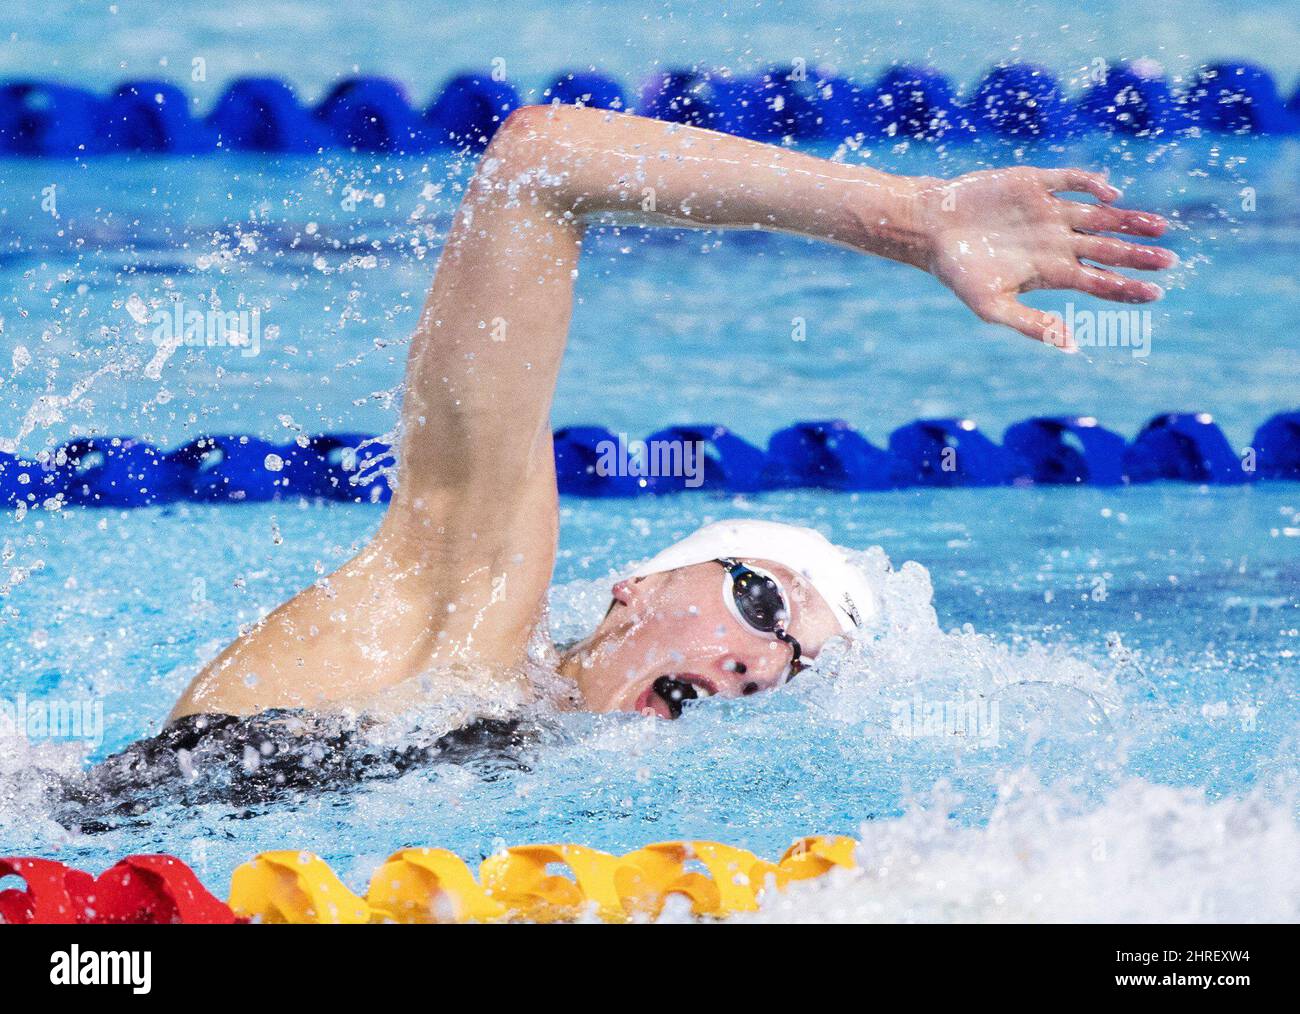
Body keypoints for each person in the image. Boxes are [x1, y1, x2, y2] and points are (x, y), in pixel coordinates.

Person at [169, 103, 1175, 726]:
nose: (760, 664)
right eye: (764, 604)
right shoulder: (455, 614)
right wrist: (908, 218)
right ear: (634, 590)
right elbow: (540, 165)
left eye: (796, 668)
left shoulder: (551, 782)